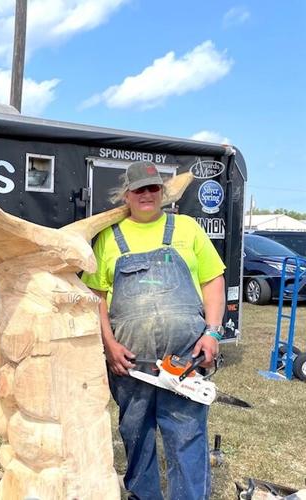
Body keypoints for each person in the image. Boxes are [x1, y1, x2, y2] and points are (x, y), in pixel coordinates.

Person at [82, 161, 226, 500]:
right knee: (137, 438)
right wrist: (109, 345)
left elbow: (213, 281)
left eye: (153, 188)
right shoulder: (108, 239)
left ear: (162, 193)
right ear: (127, 195)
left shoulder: (186, 228)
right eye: (139, 189)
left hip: (185, 360)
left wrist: (213, 332)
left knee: (187, 438)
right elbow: (95, 298)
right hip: (131, 364)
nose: (146, 195)